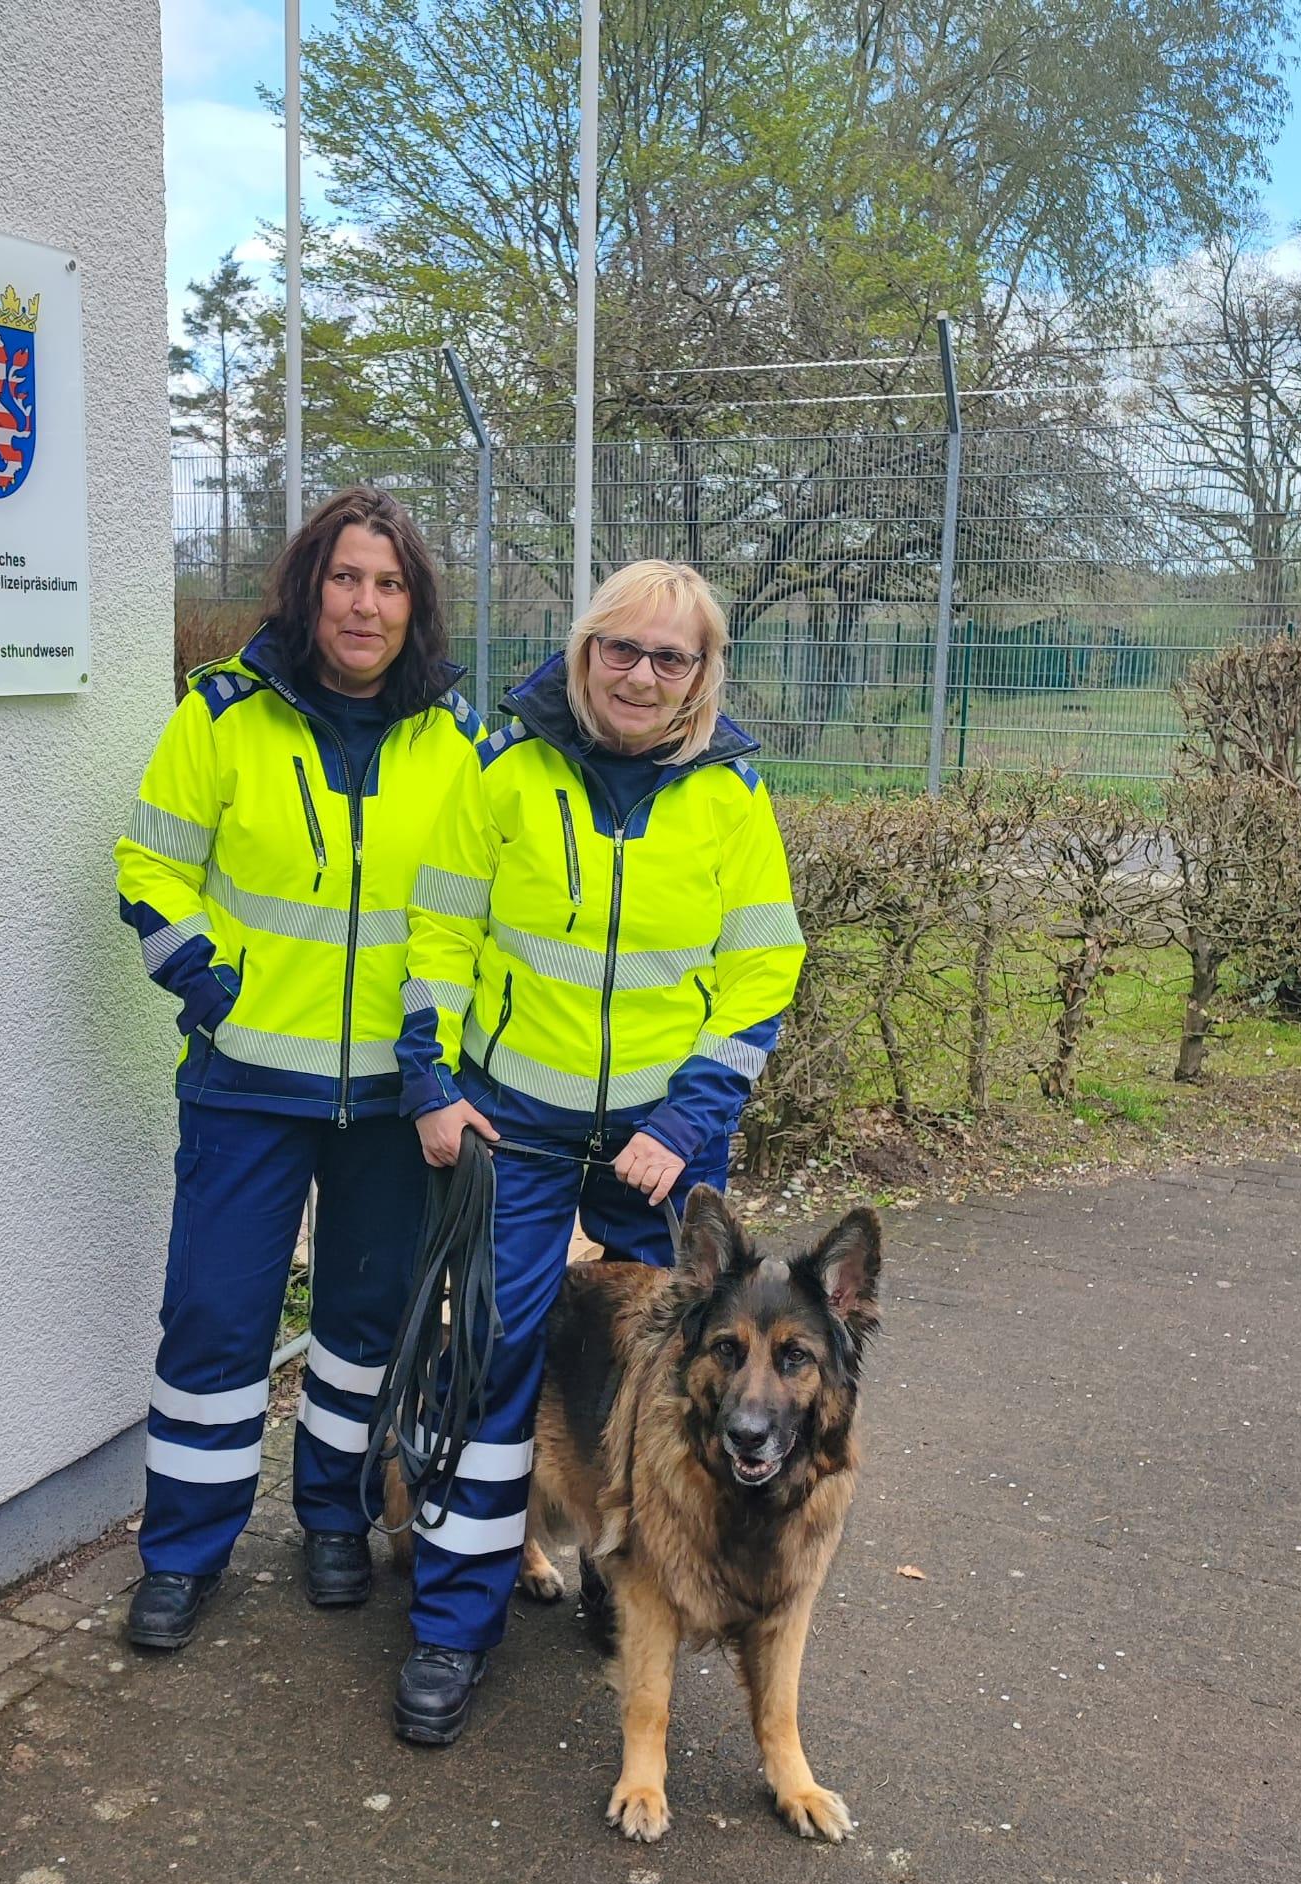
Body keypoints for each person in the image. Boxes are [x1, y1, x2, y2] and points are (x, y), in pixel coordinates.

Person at [390, 559, 806, 1743]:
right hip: (514, 1122)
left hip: (663, 1144)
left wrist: (686, 1118)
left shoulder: (728, 794)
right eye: (619, 647)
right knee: (493, 1367)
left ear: (699, 674)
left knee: (670, 1386)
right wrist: (432, 1079)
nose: (639, 673)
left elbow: (760, 966)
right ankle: (451, 1621)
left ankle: (630, 1583)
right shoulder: (504, 768)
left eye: (667, 656)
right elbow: (438, 932)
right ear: (582, 652)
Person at [114, 487, 482, 1650]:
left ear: (411, 604)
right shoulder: (219, 716)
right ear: (306, 587)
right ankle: (182, 1551)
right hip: (243, 1084)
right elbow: (148, 868)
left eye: (387, 583)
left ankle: (331, 1517)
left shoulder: (460, 741)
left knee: (362, 1322)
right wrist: (216, 988)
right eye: (343, 577)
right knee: (215, 1323)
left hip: (390, 1095)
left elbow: (479, 907)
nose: (363, 603)